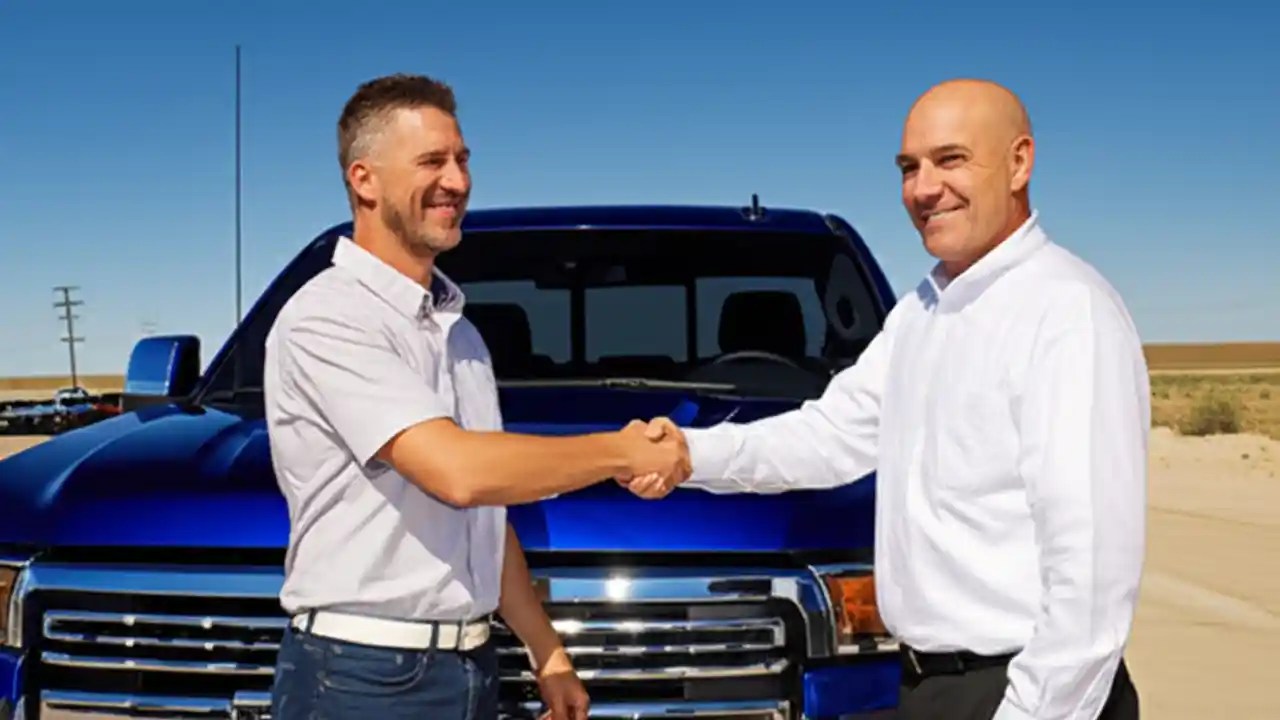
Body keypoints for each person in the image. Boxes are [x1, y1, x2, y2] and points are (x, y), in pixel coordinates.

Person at [622, 78, 1148, 720]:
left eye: (951, 159)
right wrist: (687, 453)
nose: (924, 188)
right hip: (928, 688)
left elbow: (1091, 581)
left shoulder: (1067, 313)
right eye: (909, 167)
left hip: (1021, 691)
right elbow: (831, 436)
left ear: (1019, 162)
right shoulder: (922, 312)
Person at [262, 73, 688, 720]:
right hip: (359, 679)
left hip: (469, 670)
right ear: (364, 179)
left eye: (462, 160)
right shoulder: (328, 318)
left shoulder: (459, 336)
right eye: (432, 161)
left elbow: (484, 515)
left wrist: (547, 652)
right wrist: (623, 453)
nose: (458, 182)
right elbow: (458, 472)